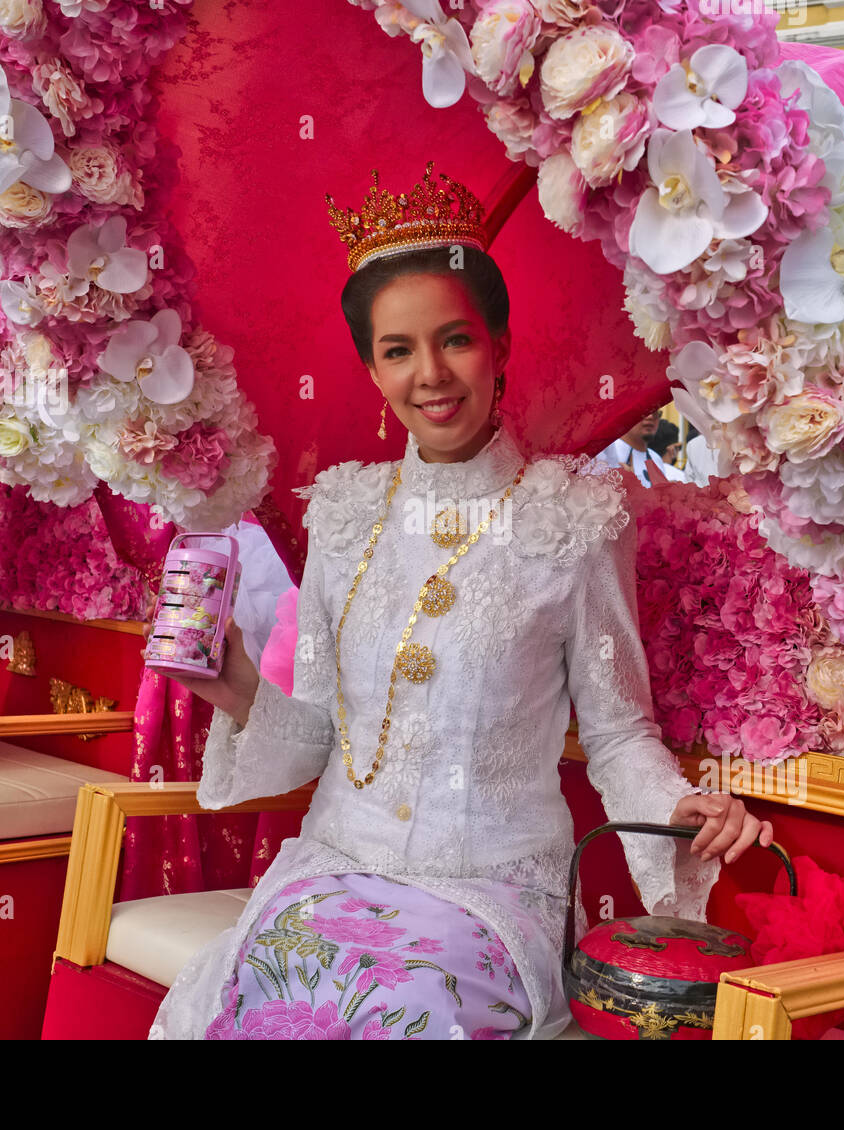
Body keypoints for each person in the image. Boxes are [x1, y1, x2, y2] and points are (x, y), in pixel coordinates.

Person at [152, 164, 770, 1041]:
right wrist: (238, 687)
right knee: (287, 986)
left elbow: (619, 730)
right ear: (371, 367)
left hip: (489, 892)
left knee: (397, 1007)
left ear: (502, 346)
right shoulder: (345, 513)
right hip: (335, 869)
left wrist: (678, 809)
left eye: (457, 340)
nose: (431, 375)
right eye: (398, 350)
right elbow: (324, 736)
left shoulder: (573, 517)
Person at [595, 408, 688, 486]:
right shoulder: (608, 451)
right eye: (642, 411)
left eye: (655, 412)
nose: (650, 417)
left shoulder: (655, 459)